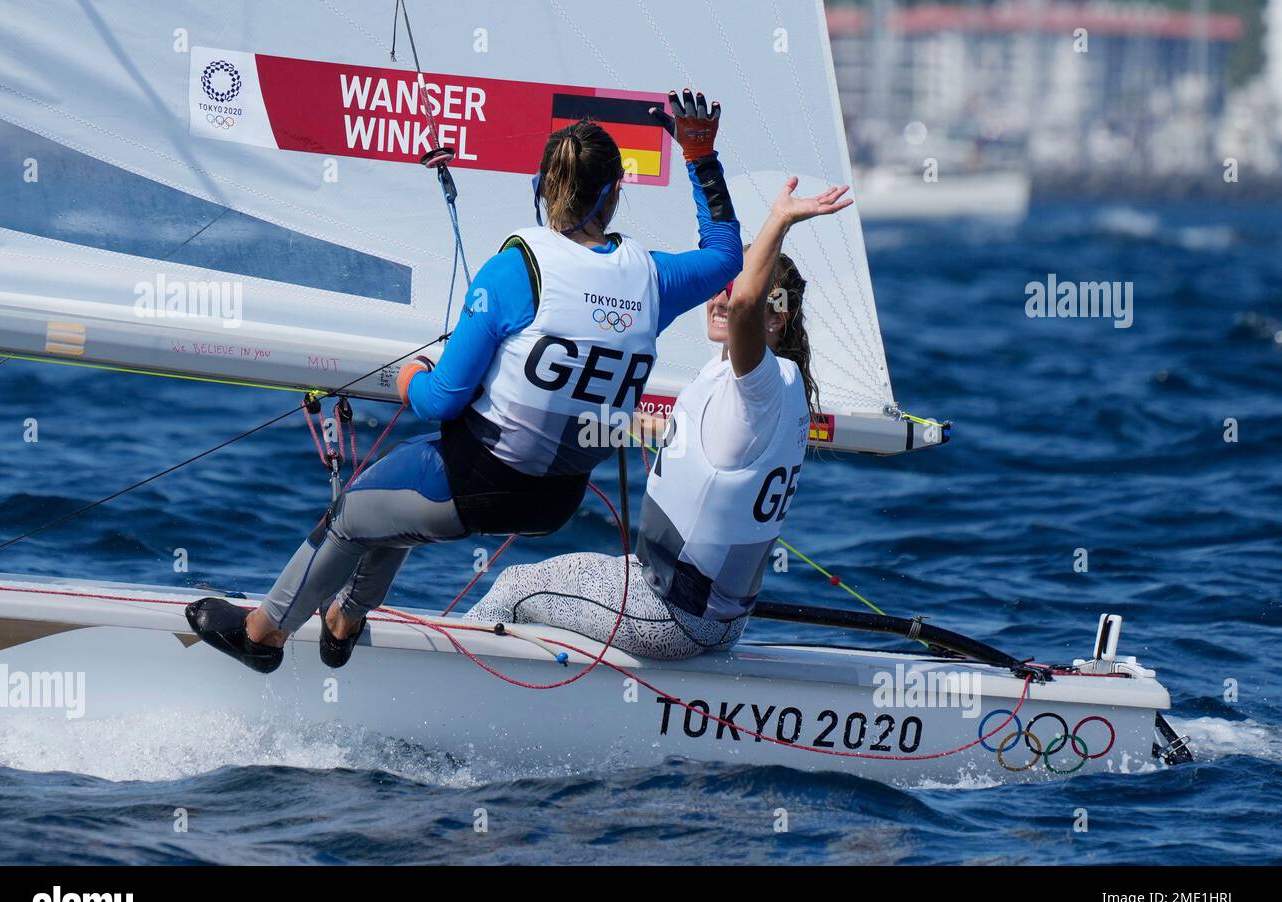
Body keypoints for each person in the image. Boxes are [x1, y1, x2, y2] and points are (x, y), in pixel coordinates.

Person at [186, 89, 742, 673]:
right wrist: (701, 156)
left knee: (351, 516)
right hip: (556, 501)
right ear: (615, 193)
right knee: (393, 504)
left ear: (543, 187)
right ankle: (342, 623)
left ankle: (263, 633)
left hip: (472, 486)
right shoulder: (655, 279)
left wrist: (409, 380)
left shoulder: (516, 270)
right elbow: (726, 253)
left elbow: (442, 400)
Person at [465, 176, 852, 659]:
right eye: (721, 285)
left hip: (668, 614)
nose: (724, 297)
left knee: (514, 586)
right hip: (715, 620)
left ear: (776, 318)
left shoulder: (760, 384)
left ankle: (449, 696)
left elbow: (748, 306)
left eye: (740, 292)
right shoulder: (775, 384)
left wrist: (779, 220)